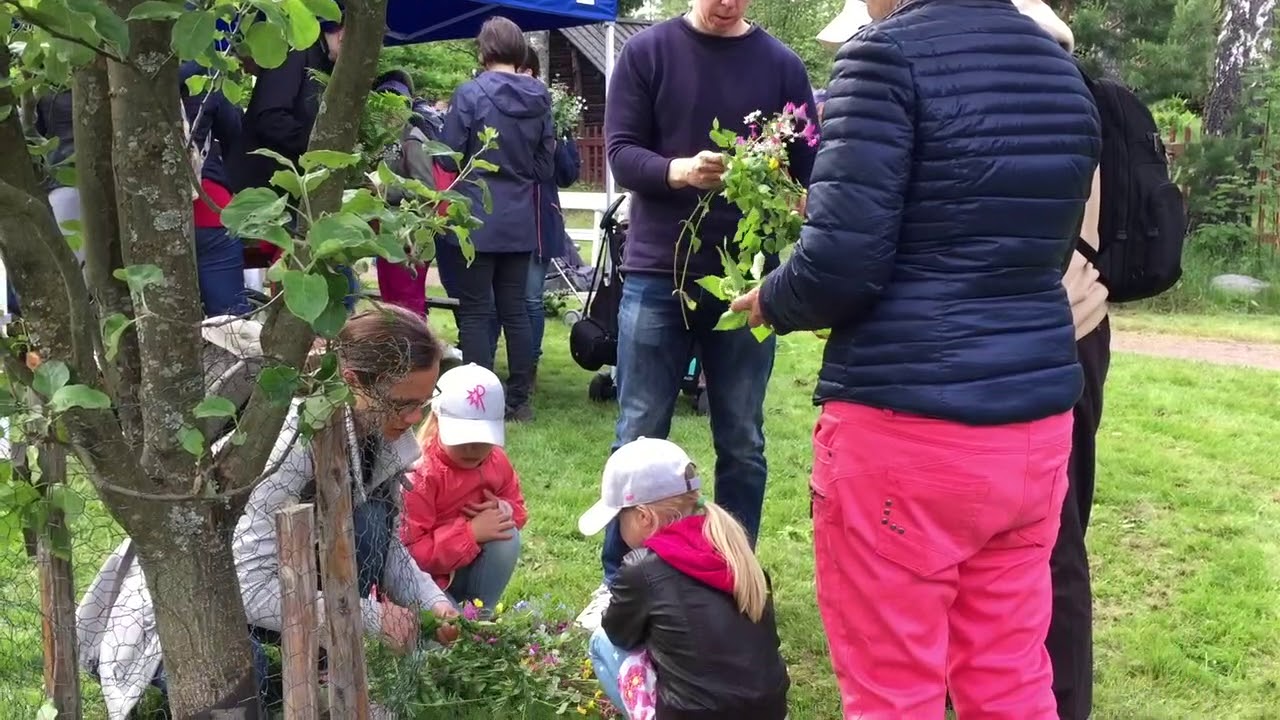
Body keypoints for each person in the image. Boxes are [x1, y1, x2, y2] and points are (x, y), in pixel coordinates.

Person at [731, 0, 1101, 717]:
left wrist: (774, 298)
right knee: (1012, 674)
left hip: (909, 428)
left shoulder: (884, 58)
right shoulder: (1061, 73)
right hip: (1032, 426)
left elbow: (840, 264)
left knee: (893, 689)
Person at [577, 0, 817, 631]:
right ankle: (621, 584)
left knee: (742, 439)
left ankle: (735, 581)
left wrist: (788, 193)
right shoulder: (647, 53)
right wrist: (678, 170)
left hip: (748, 285)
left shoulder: (782, 66)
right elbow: (623, 153)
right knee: (638, 436)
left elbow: (810, 169)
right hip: (659, 272)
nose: (725, 4)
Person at [233, 304, 460, 652]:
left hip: (301, 599)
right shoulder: (293, 445)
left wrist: (434, 603)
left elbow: (385, 548)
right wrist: (366, 616)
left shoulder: (382, 437)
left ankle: (332, 659)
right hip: (225, 612)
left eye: (424, 402)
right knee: (250, 683)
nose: (416, 417)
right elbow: (246, 586)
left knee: (369, 519)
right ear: (352, 381)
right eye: (402, 403)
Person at [1010, 3, 1112, 718]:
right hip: (1074, 327)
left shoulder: (1059, 104)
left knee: (1055, 533)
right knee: (1044, 527)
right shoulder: (1065, 98)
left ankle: (1063, 694)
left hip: (1056, 327)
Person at [580, 438, 789, 719]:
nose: (618, 528)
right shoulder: (737, 555)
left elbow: (620, 634)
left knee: (601, 641)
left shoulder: (641, 568)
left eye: (620, 518)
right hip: (768, 712)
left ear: (644, 517)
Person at [438, 17, 554, 423]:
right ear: (520, 51)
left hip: (476, 214)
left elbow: (447, 154)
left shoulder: (470, 94)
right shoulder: (540, 97)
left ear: (483, 50)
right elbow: (544, 165)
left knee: (475, 311)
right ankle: (519, 401)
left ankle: (479, 400)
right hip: (520, 217)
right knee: (515, 310)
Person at [401, 363, 528, 609]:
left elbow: (518, 508)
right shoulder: (421, 474)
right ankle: (458, 618)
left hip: (468, 567)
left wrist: (504, 509)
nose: (472, 449)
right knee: (443, 637)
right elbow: (411, 554)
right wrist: (470, 533)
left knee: (507, 534)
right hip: (427, 583)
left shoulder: (496, 461)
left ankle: (481, 614)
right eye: (462, 438)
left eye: (482, 438)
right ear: (437, 422)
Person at [488, 46, 581, 381]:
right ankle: (500, 364)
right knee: (499, 298)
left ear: (535, 74)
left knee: (529, 296)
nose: (521, 76)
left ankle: (528, 367)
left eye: (526, 71)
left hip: (539, 216)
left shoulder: (549, 112)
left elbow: (569, 175)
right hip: (503, 216)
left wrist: (553, 141)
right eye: (516, 69)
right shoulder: (496, 109)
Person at [181, 61, 252, 317]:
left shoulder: (112, 66)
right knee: (230, 320)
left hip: (139, 214)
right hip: (208, 204)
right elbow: (234, 133)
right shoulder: (204, 74)